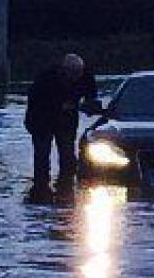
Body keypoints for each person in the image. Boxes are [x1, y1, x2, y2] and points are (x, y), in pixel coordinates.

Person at [24, 53, 98, 203]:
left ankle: (66, 188)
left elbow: (92, 96)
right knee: (42, 157)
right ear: (64, 70)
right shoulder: (46, 78)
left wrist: (90, 105)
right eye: (72, 72)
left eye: (79, 72)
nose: (76, 76)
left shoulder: (86, 77)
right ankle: (41, 189)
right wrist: (60, 105)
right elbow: (34, 101)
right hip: (41, 120)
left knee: (68, 156)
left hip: (67, 121)